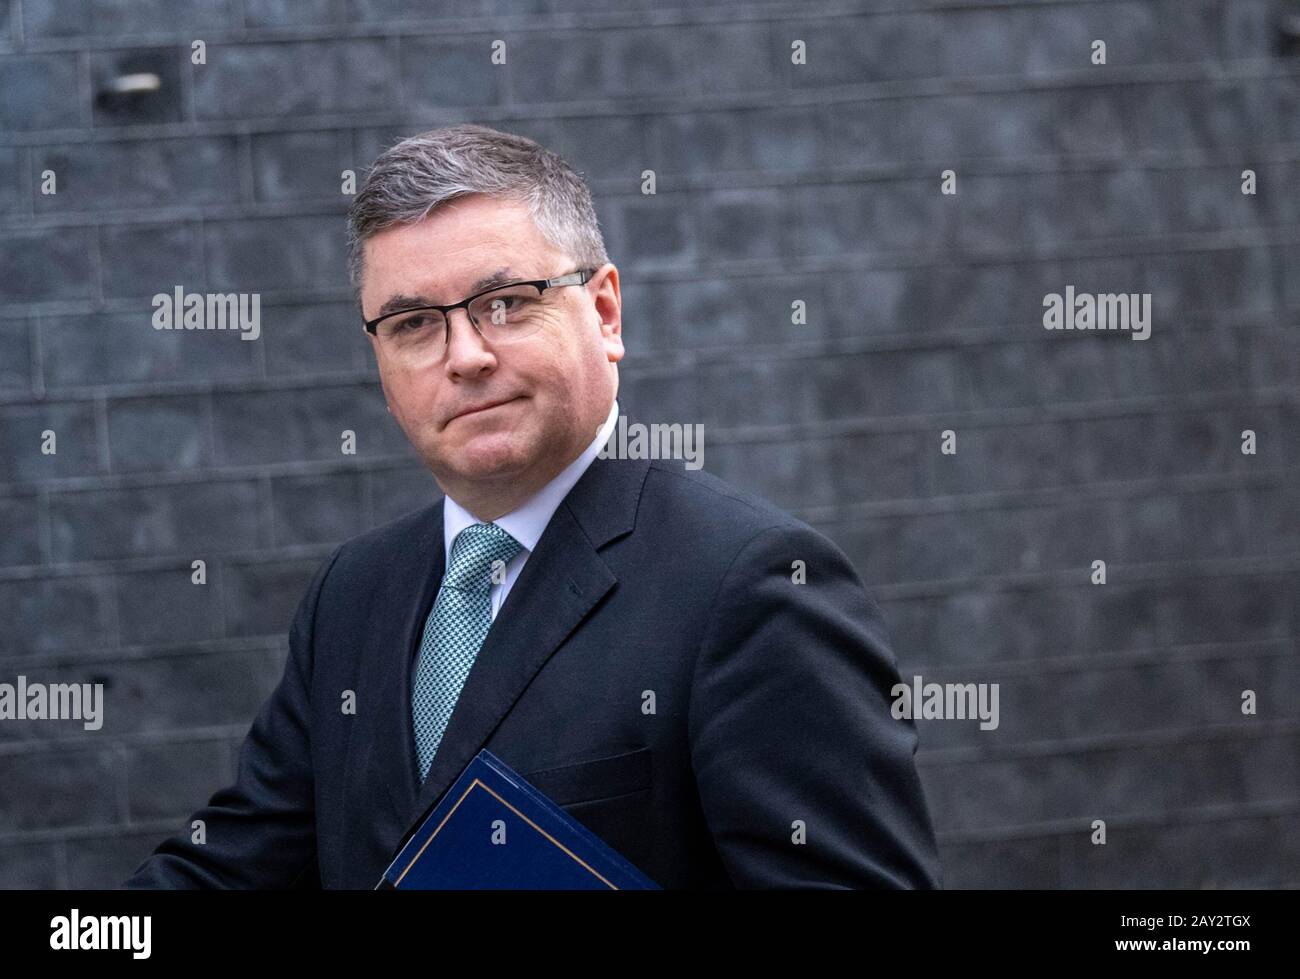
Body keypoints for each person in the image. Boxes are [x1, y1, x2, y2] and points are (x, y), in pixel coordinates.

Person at [122, 123, 942, 889]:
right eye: (414, 323)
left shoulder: (753, 588)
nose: (466, 357)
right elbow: (234, 870)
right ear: (380, 358)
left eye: (506, 302)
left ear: (606, 311)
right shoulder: (354, 596)